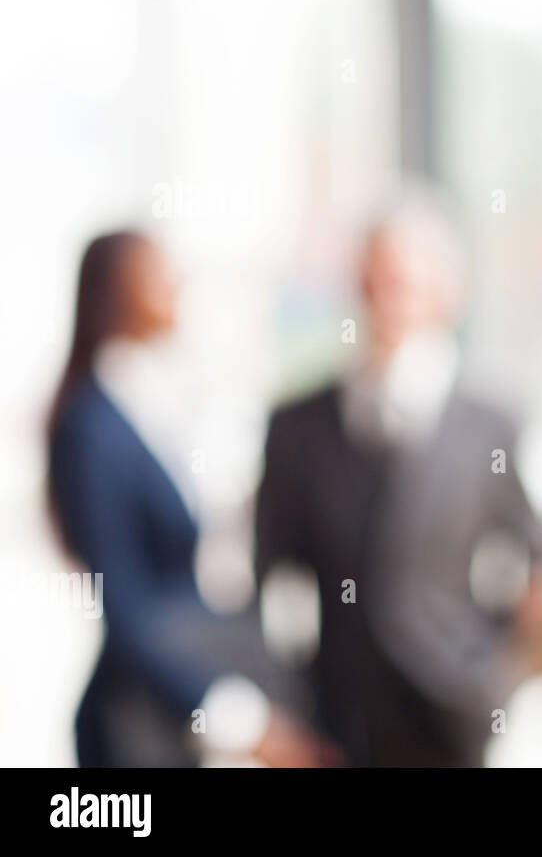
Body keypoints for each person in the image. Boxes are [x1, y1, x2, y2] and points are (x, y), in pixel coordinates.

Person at [255, 200, 542, 767]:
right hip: (336, 721)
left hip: (454, 716)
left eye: (407, 282)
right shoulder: (297, 427)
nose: (389, 298)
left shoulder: (495, 422)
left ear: (449, 293)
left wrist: (495, 674)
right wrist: (279, 703)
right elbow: (267, 578)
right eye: (375, 280)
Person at [47, 230, 336, 767]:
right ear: (116, 292)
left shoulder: (158, 403)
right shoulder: (92, 426)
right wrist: (242, 719)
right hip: (134, 724)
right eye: (157, 275)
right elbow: (124, 607)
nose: (176, 286)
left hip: (178, 712)